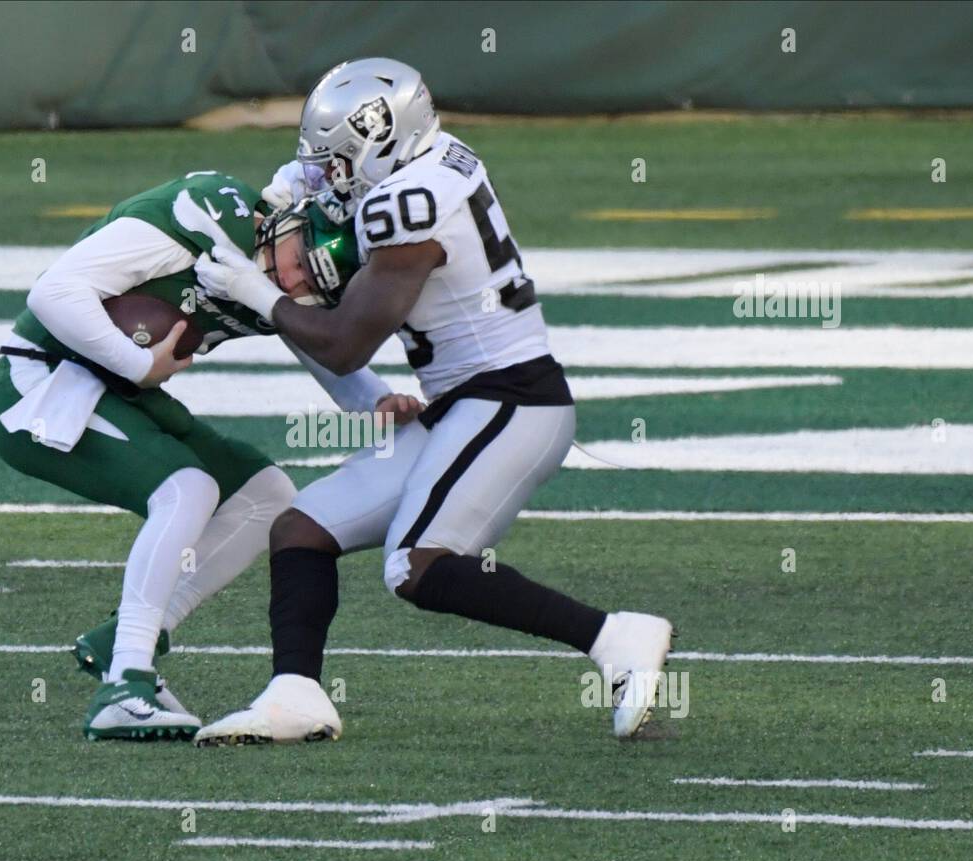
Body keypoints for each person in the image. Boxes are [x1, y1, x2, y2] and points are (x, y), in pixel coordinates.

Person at [193, 59, 674, 746]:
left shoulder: (406, 204)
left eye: (337, 160)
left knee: (416, 563)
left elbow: (343, 345)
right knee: (302, 529)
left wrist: (257, 293)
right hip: (464, 398)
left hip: (511, 399)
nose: (328, 174)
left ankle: (616, 636)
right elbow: (320, 188)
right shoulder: (430, 158)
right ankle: (296, 695)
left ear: (381, 141)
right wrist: (295, 183)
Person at [0, 170, 421, 741]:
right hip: (42, 383)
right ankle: (126, 685)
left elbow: (327, 361)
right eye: (296, 257)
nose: (288, 280)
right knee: (188, 489)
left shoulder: (277, 282)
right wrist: (139, 364)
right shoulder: (197, 217)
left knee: (267, 497)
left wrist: (378, 401)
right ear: (285, 222)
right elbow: (53, 292)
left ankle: (128, 642)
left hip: (121, 391)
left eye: (309, 285)